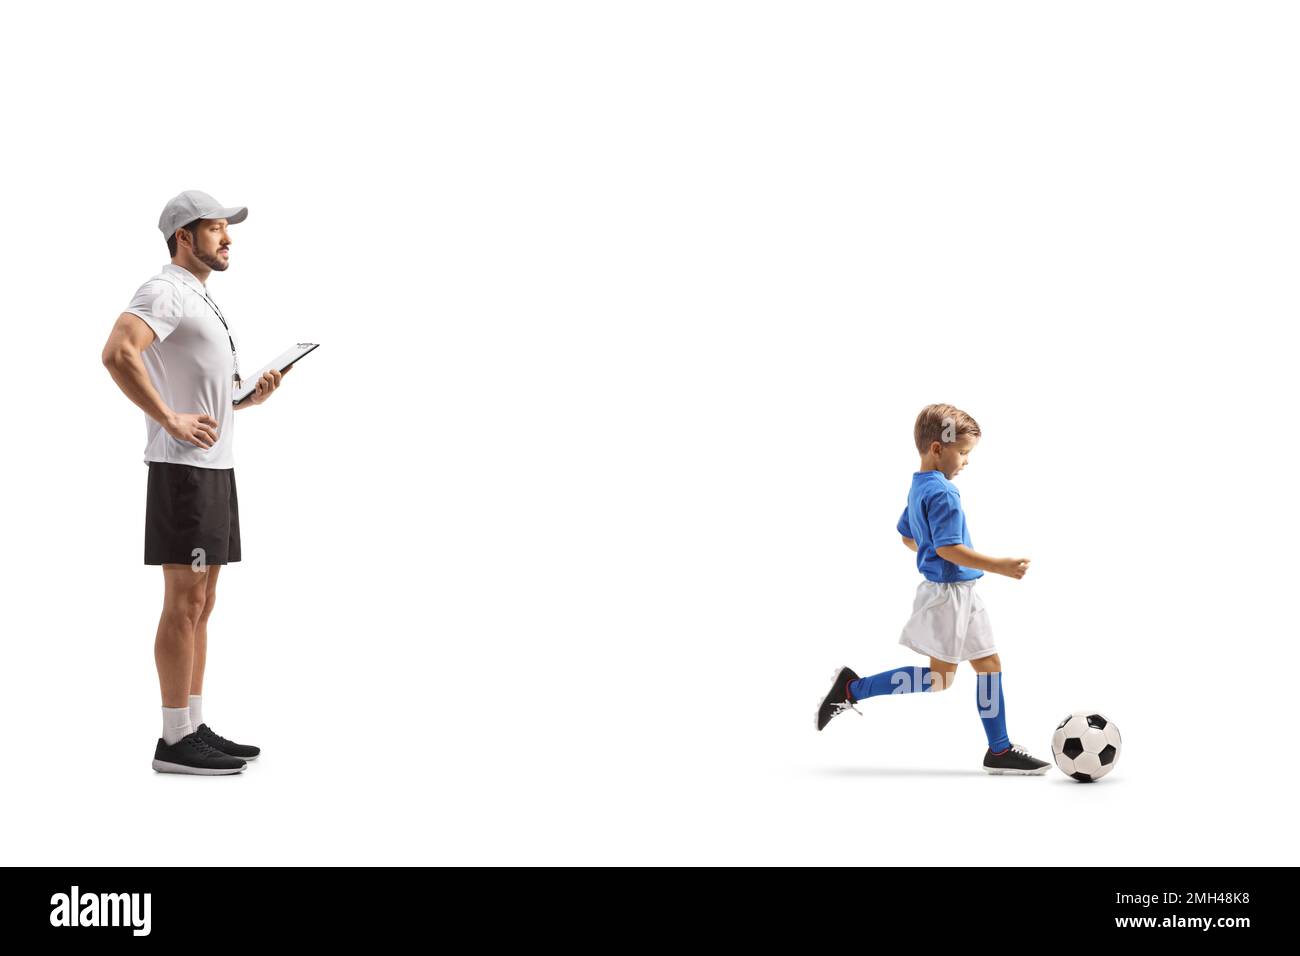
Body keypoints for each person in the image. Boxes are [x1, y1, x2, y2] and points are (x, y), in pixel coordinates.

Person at [101, 190, 290, 775]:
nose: (227, 238)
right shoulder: (164, 291)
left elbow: (202, 389)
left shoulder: (198, 298)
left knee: (204, 603)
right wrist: (168, 418)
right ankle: (173, 742)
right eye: (215, 230)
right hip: (183, 472)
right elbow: (117, 353)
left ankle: (191, 722)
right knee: (184, 603)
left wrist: (245, 399)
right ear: (184, 237)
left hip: (213, 468)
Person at [815, 403, 1051, 775]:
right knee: (940, 679)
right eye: (963, 452)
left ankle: (1000, 749)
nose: (966, 462)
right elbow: (946, 548)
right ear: (938, 449)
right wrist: (1000, 566)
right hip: (947, 595)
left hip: (962, 591)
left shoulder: (919, 485)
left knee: (989, 664)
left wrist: (933, 552)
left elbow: (908, 534)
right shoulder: (944, 493)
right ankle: (852, 689)